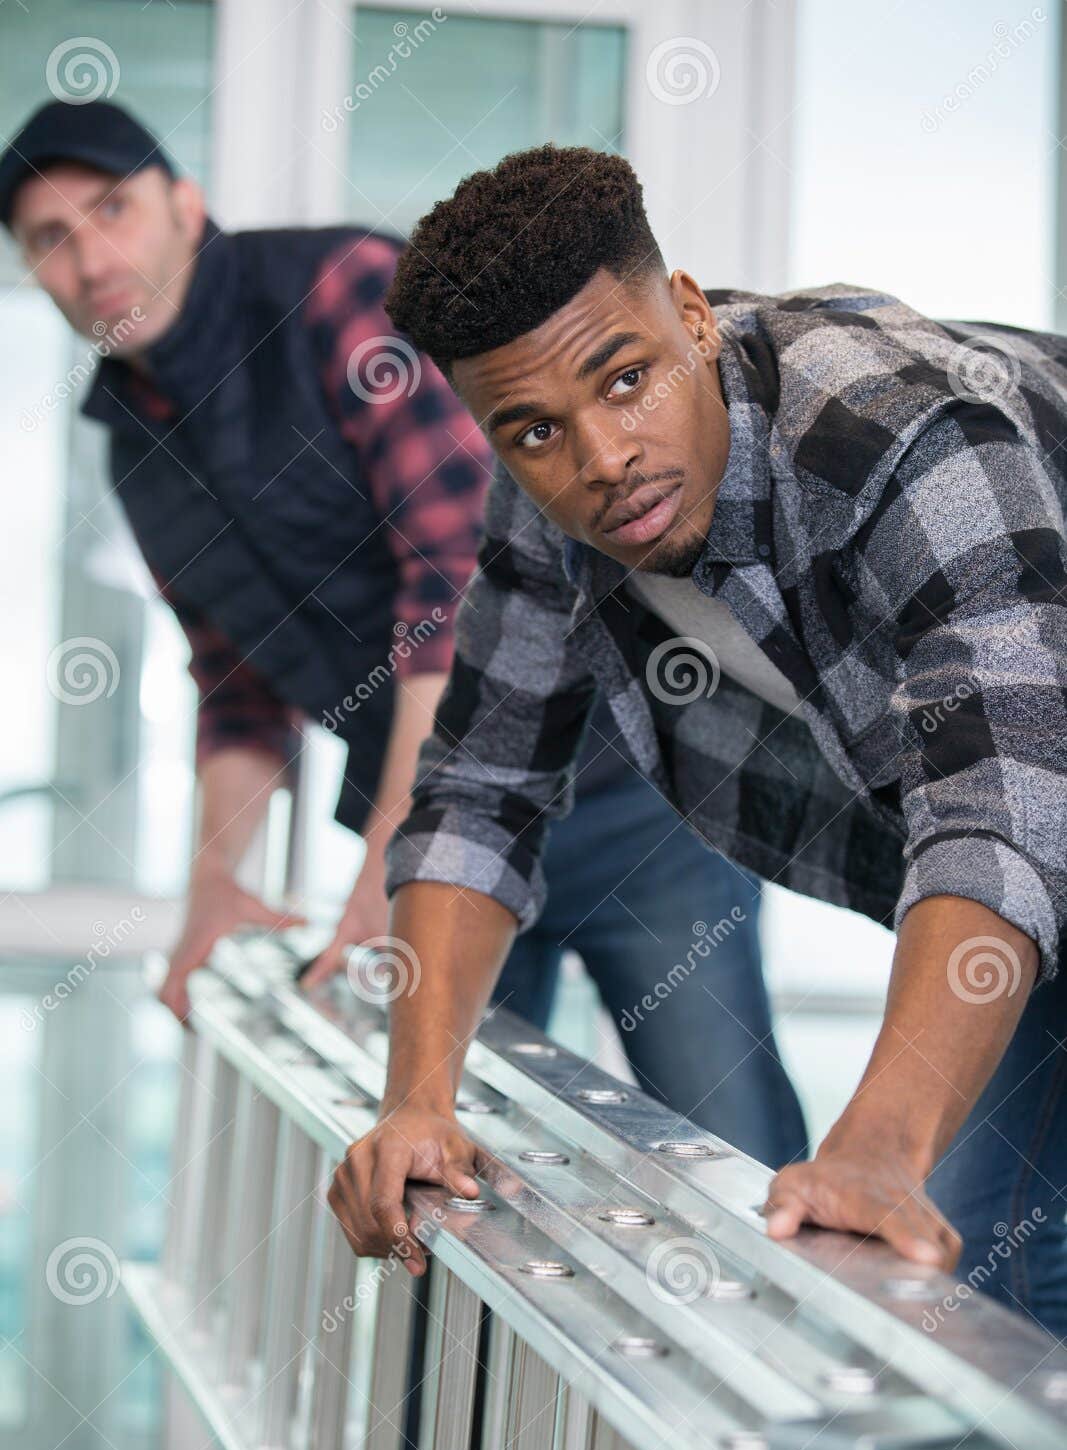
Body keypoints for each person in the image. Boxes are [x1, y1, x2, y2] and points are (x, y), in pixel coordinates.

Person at [326, 144, 1067, 1339]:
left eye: (625, 381)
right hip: (1033, 882)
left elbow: (1009, 790)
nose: (600, 460)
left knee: (970, 1273)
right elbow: (476, 793)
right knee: (967, 1286)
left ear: (688, 314)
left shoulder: (899, 432)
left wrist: (874, 1147)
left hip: (1040, 807)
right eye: (530, 430)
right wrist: (414, 1101)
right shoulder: (552, 489)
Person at [0, 104, 804, 1163]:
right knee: (441, 1174)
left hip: (622, 800)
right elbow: (235, 682)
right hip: (438, 844)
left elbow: (453, 599)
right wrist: (211, 888)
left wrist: (386, 867)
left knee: (729, 1147)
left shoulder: (341, 297)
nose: (93, 257)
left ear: (185, 207)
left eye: (113, 210)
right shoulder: (131, 447)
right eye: (50, 239)